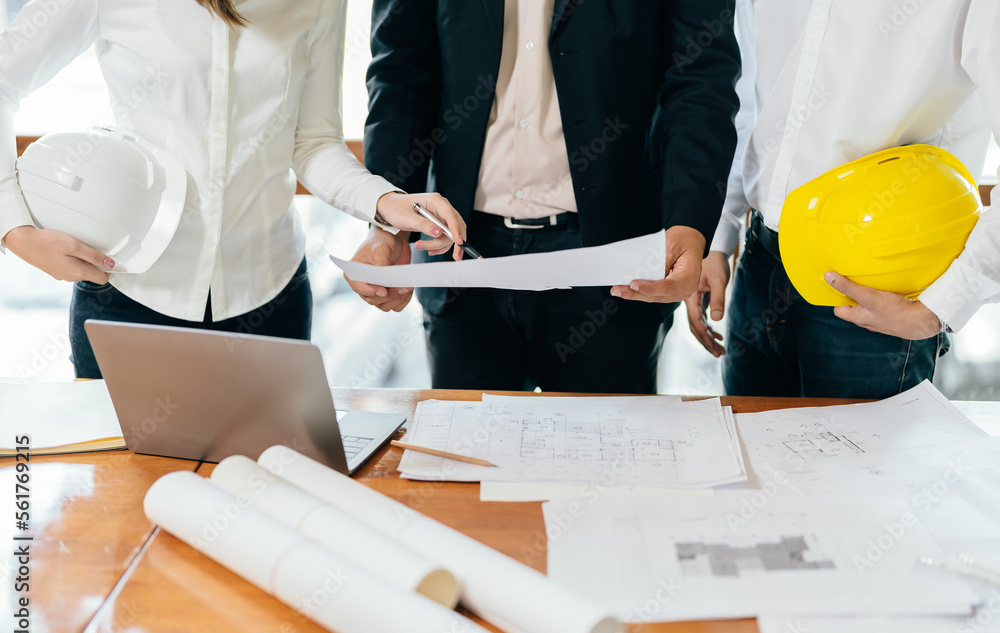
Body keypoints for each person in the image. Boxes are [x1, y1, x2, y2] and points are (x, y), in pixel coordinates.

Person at [0, 0, 467, 379]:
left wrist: (385, 203)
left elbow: (312, 142)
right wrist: (15, 232)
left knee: (273, 470)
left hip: (270, 302)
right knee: (120, 473)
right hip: (128, 299)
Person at [348, 0, 741, 393]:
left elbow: (700, 78)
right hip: (459, 253)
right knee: (464, 429)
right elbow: (400, 70)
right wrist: (389, 224)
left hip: (611, 253)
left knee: (606, 432)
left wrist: (689, 222)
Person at [685, 0, 1000, 399]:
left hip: (880, 286)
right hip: (759, 265)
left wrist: (944, 305)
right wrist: (717, 235)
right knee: (745, 440)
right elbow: (749, 100)